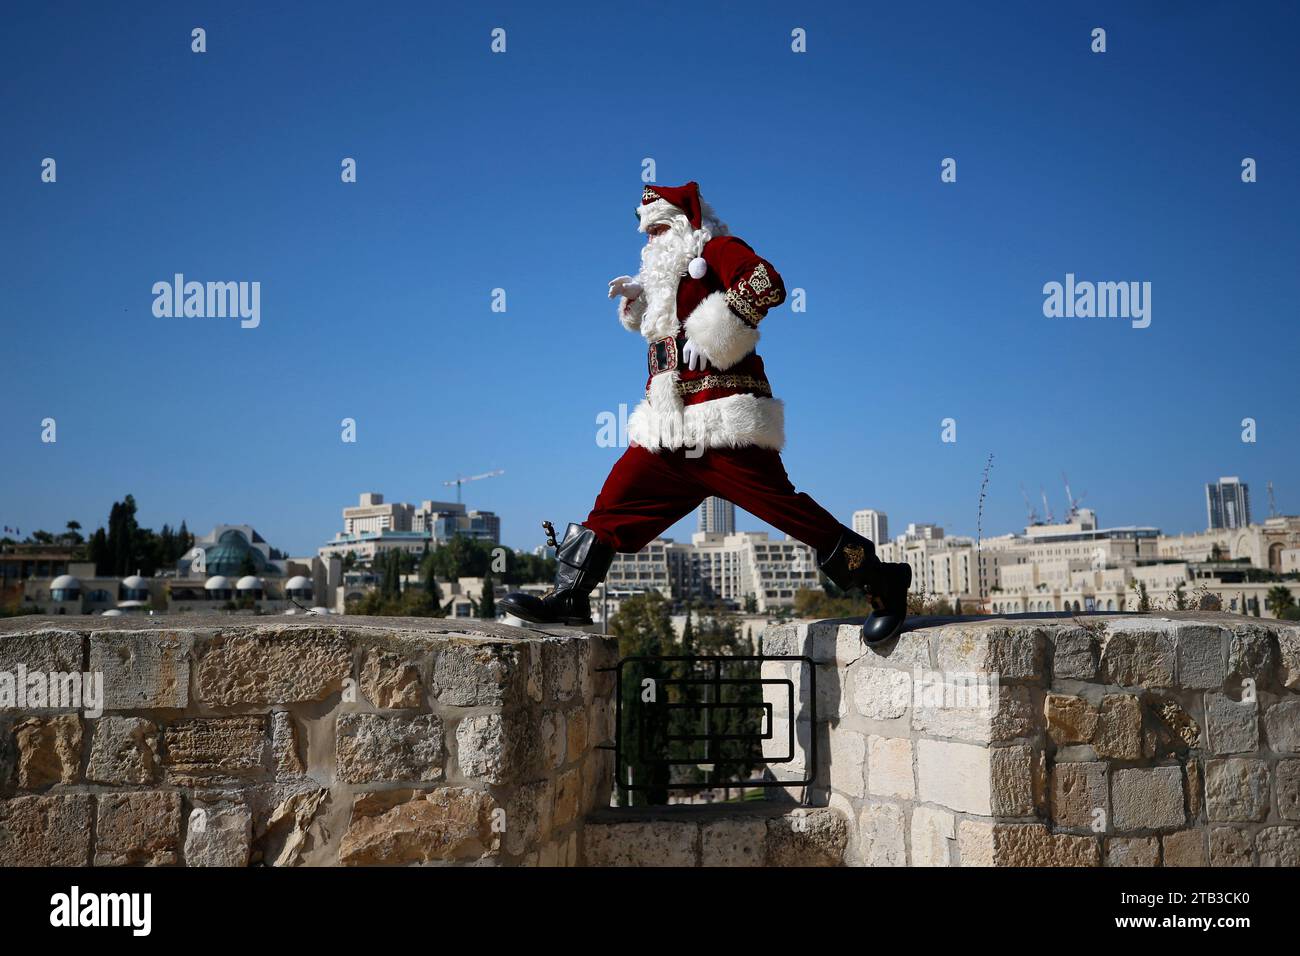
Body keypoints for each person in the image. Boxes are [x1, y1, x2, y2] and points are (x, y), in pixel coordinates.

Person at [499, 182, 911, 645]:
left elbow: (766, 283)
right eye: (646, 233)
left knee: (788, 512)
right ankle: (570, 597)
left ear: (682, 220)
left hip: (720, 422)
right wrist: (641, 294)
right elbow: (664, 316)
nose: (650, 239)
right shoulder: (669, 271)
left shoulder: (718, 247)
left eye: (657, 228)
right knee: (615, 502)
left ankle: (881, 580)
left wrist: (716, 328)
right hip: (669, 429)